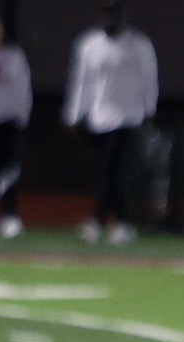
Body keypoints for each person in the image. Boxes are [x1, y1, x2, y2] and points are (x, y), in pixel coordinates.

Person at [62, 1, 157, 245]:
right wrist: (73, 115)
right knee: (108, 172)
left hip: (128, 116)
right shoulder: (89, 45)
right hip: (98, 117)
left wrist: (149, 109)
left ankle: (105, 221)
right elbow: (81, 81)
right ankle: (115, 222)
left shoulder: (139, 45)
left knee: (111, 170)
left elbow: (149, 79)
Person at [0, 15, 29, 239]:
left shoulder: (14, 56)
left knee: (9, 171)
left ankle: (10, 216)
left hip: (8, 120)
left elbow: (22, 87)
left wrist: (22, 116)